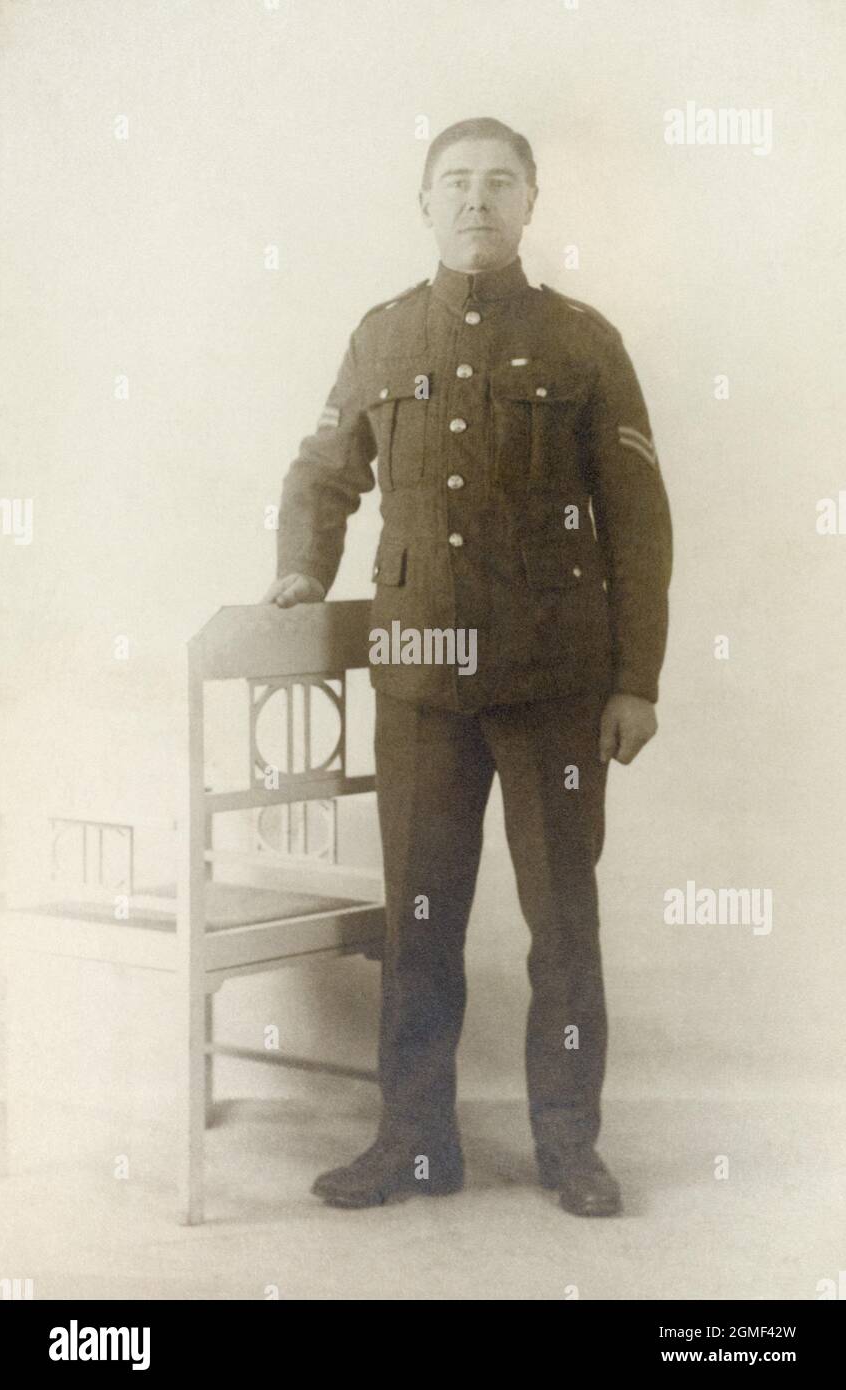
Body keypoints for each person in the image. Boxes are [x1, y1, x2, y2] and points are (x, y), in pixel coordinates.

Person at [264, 117, 672, 1216]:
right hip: (418, 681)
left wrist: (636, 678)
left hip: (554, 685)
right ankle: (413, 1143)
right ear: (424, 204)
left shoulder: (583, 339)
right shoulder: (382, 335)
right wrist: (303, 570)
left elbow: (637, 519)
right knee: (420, 926)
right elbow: (321, 470)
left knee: (563, 928)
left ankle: (568, 1146)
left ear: (532, 200)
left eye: (499, 181)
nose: (476, 199)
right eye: (454, 182)